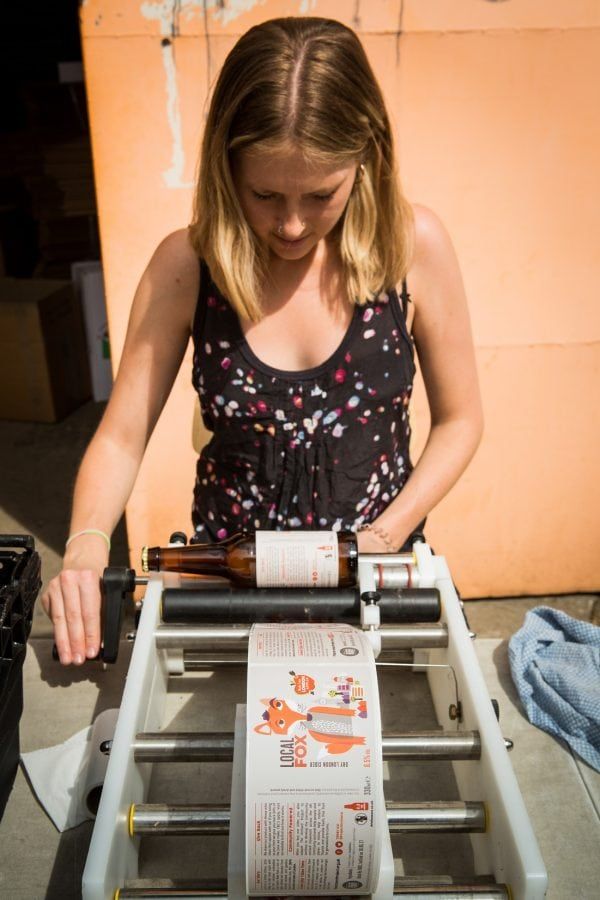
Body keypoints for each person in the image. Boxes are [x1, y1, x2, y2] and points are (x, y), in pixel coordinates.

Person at [42, 17, 483, 665]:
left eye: (321, 194)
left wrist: (383, 538)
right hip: (226, 599)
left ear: (366, 156)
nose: (292, 225)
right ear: (227, 167)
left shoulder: (412, 248)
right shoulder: (186, 267)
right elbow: (121, 436)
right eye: (266, 194)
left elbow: (461, 420)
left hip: (376, 590)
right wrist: (84, 546)